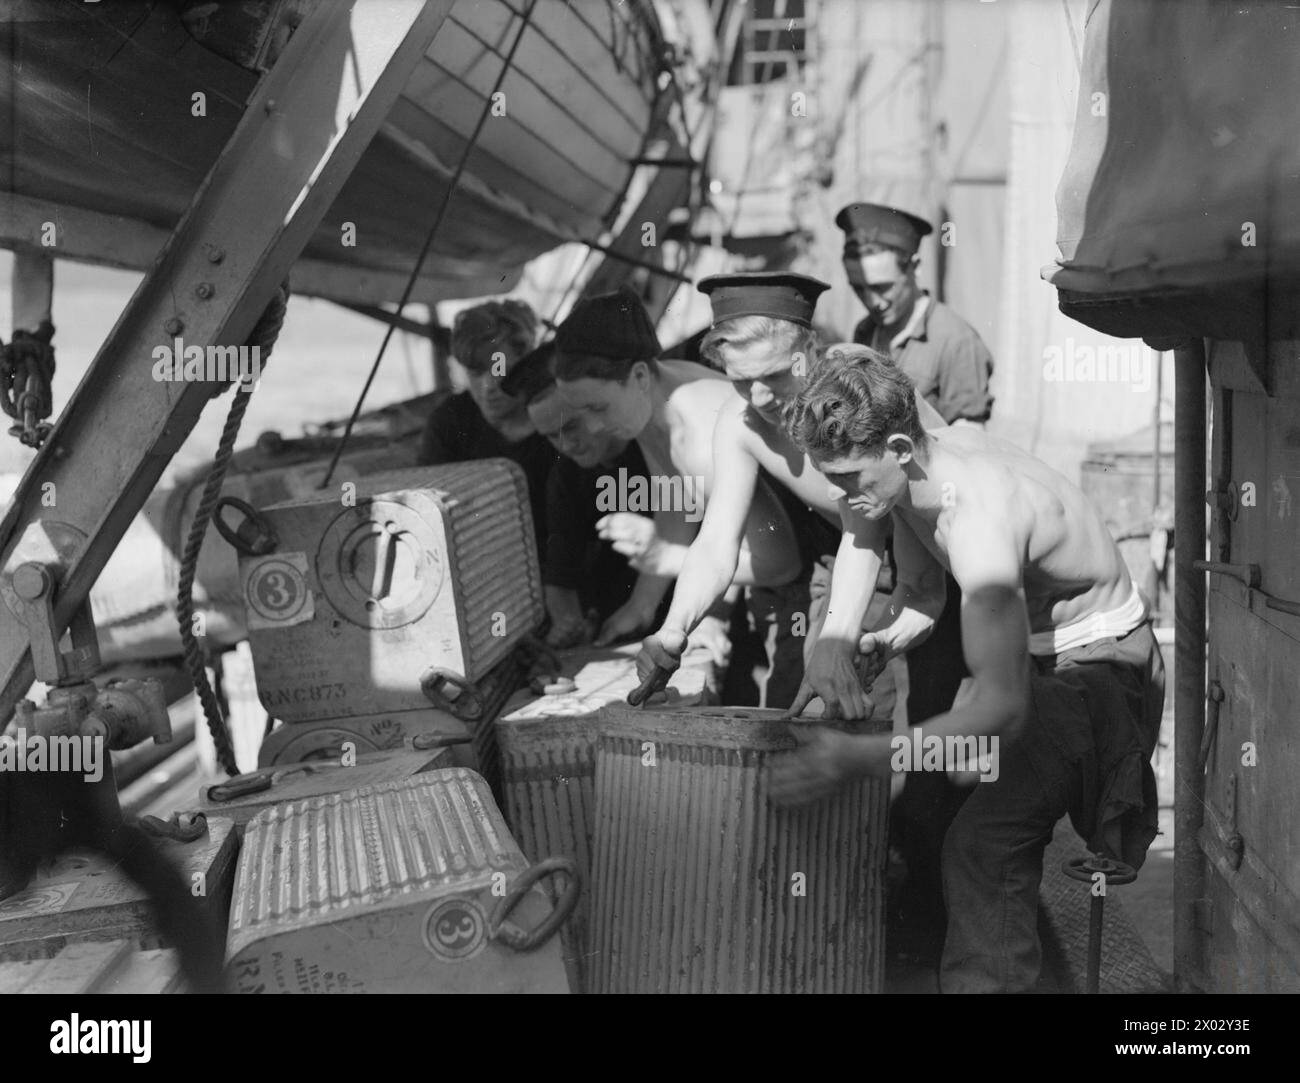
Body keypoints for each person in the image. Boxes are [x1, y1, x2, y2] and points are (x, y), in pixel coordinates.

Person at [773, 353, 1165, 994]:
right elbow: (925, 592)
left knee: (984, 847)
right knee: (946, 796)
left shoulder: (979, 515)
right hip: (1041, 654)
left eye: (848, 480)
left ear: (898, 445)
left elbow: (1004, 706)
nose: (843, 503)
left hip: (1099, 668)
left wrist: (861, 759)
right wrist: (883, 640)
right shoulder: (917, 474)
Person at [632, 274, 948, 722]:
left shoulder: (853, 379)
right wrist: (673, 628)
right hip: (848, 566)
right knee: (797, 719)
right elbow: (717, 542)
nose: (759, 397)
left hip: (931, 563)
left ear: (811, 350)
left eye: (776, 375)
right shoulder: (741, 422)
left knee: (893, 731)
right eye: (741, 381)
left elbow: (869, 529)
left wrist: (834, 643)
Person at [553, 285, 805, 705]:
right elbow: (678, 505)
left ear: (637, 375)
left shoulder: (703, 430)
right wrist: (644, 607)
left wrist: (667, 558)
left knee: (793, 728)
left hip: (811, 584)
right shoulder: (655, 404)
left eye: (598, 409)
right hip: (773, 588)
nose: (593, 428)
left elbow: (780, 564)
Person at [501, 340, 728, 659]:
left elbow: (728, 535)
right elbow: (561, 568)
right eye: (552, 435)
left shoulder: (663, 436)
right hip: (638, 623)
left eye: (572, 426)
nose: (567, 444)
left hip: (714, 607)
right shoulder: (566, 476)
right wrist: (572, 621)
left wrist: (709, 617)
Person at [837, 202, 995, 428]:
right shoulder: (865, 330)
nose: (873, 302)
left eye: (882, 287)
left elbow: (970, 439)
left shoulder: (957, 341)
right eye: (859, 288)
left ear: (915, 267)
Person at [418, 299, 556, 551]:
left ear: (526, 361)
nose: (488, 386)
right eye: (475, 372)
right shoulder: (449, 422)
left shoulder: (559, 421)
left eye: (498, 368)